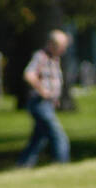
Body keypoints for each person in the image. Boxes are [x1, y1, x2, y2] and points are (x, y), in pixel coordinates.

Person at [18, 30, 71, 168]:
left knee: (38, 139)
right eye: (61, 46)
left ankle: (23, 166)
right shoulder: (41, 56)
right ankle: (62, 165)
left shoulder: (54, 59)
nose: (64, 49)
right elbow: (29, 75)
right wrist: (43, 91)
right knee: (59, 136)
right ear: (52, 44)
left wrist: (54, 98)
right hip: (40, 103)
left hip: (47, 104)